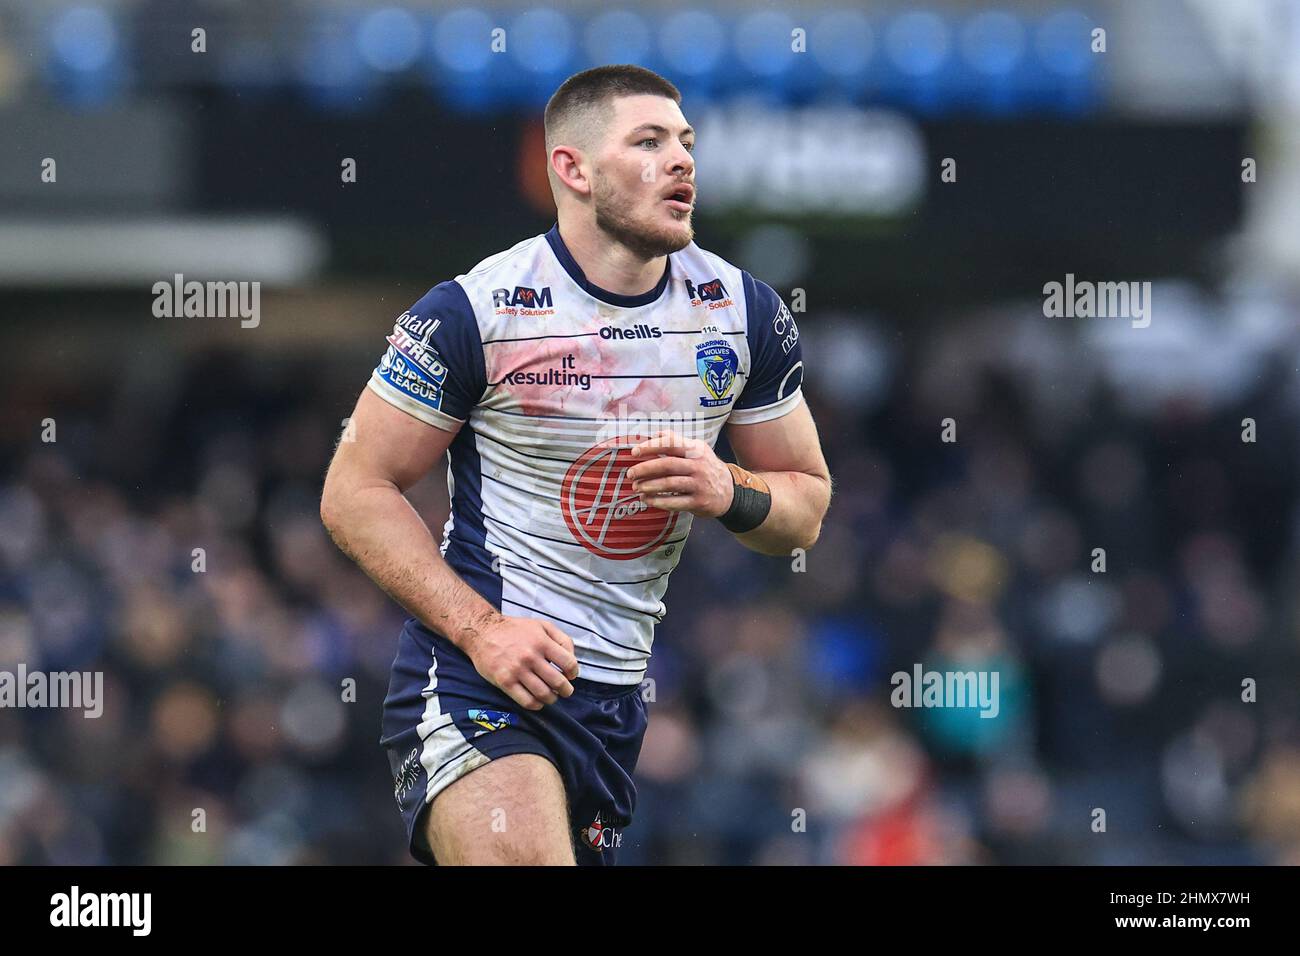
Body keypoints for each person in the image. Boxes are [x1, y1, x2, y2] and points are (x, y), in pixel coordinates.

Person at [320, 64, 832, 865]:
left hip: (613, 702)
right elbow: (354, 492)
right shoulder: (476, 311)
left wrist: (730, 487)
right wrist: (481, 632)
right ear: (574, 169)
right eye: (650, 141)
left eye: (687, 143)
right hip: (479, 684)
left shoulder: (743, 313)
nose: (683, 161)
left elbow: (804, 506)